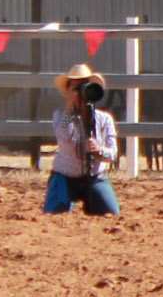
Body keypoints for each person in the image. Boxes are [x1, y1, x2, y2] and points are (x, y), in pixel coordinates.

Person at [45, 63, 120, 216]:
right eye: (76, 89)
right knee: (53, 213)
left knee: (111, 213)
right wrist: (70, 107)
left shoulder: (104, 119)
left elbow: (113, 154)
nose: (81, 93)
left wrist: (99, 150)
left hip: (95, 177)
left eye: (85, 87)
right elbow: (62, 134)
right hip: (65, 176)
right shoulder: (61, 116)